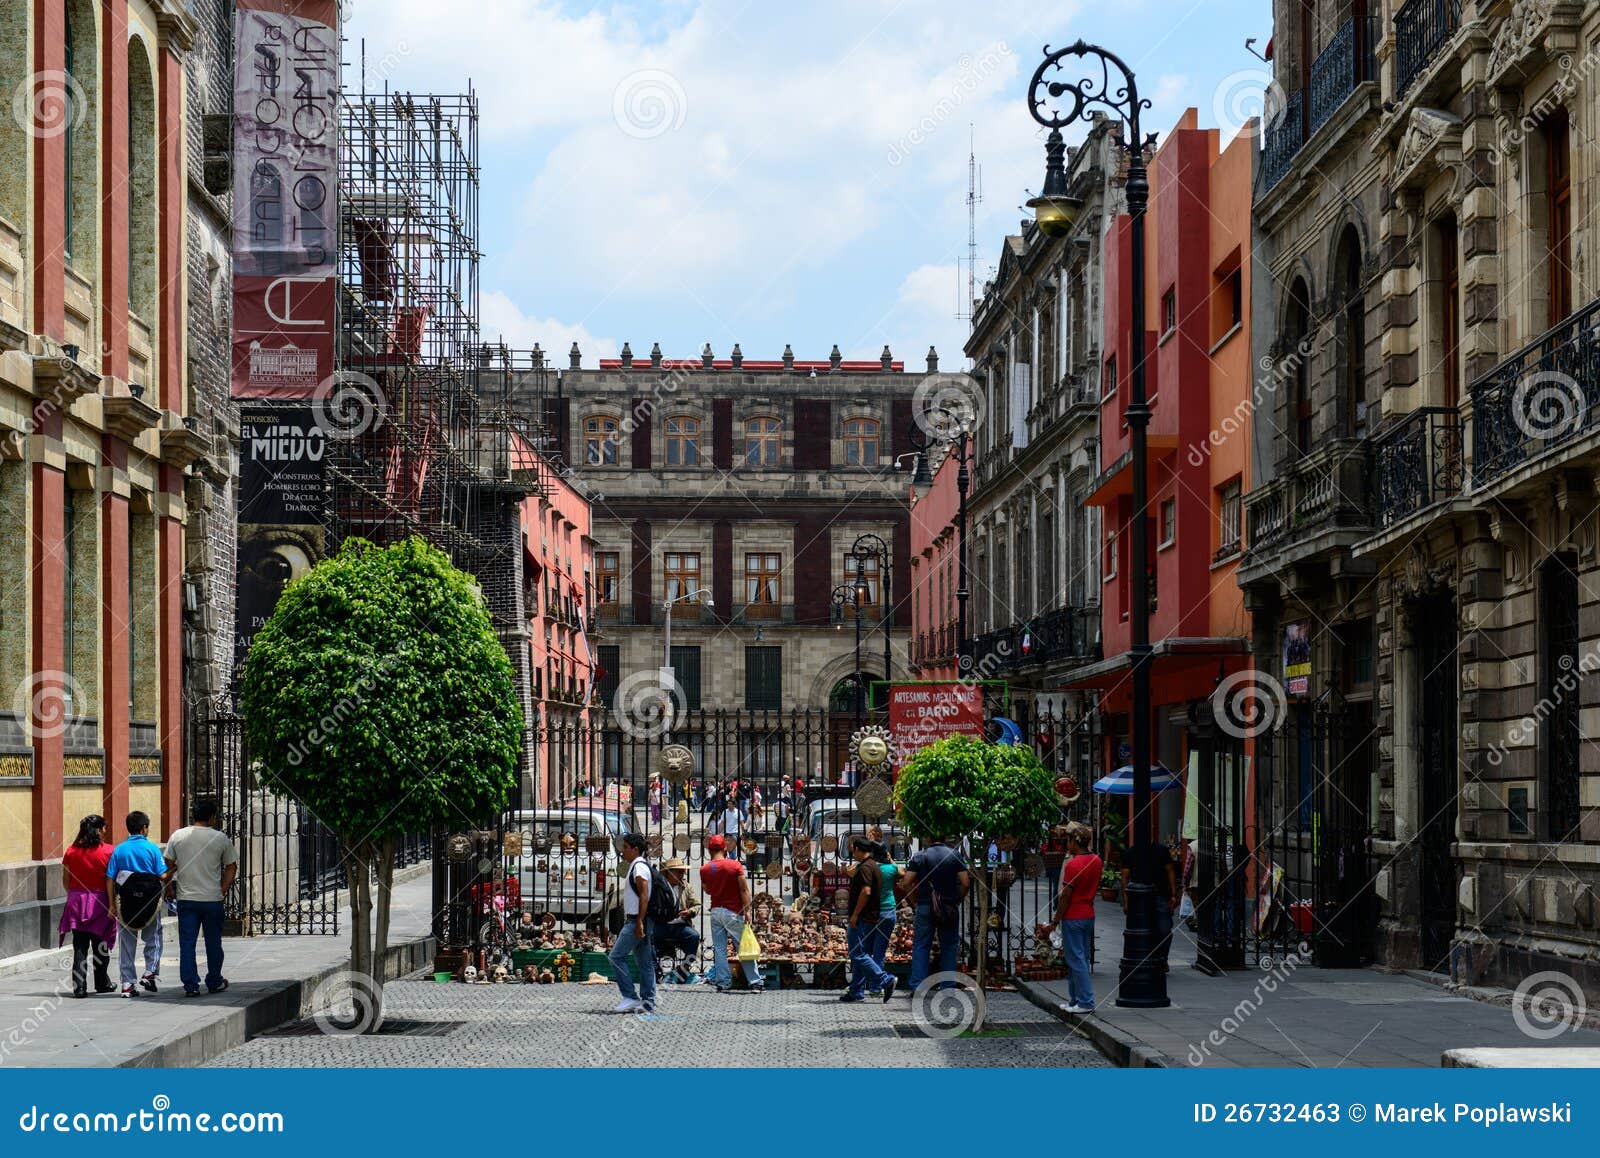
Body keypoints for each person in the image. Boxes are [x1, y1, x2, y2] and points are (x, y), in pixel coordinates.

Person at [164, 799, 239, 997]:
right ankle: (214, 980)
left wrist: (169, 887)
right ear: (212, 816)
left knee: (187, 943)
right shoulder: (220, 838)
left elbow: (168, 863)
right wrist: (223, 888)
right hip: (212, 899)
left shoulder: (178, 836)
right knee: (213, 942)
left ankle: (191, 985)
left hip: (187, 899)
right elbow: (232, 866)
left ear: (193, 815)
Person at [105, 811, 167, 997]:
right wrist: (173, 870)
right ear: (144, 828)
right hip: (150, 903)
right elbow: (162, 875)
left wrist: (111, 904)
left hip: (125, 903)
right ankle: (149, 972)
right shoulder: (152, 849)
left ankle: (127, 984)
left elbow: (110, 878)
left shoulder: (119, 850)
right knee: (154, 937)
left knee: (126, 944)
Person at [1044, 822, 1102, 1013]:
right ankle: (1074, 999)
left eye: (1067, 841)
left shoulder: (1073, 864)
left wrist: (1055, 919)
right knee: (1080, 957)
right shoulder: (1096, 860)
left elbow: (1066, 895)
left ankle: (1085, 1001)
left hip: (1073, 914)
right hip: (1088, 913)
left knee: (1075, 959)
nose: (1066, 845)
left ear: (1073, 842)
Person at [901, 834, 970, 992]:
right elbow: (966, 882)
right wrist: (957, 899)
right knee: (949, 946)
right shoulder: (955, 855)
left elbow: (906, 882)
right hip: (948, 906)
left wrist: (915, 902)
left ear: (927, 839)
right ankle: (947, 986)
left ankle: (918, 985)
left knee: (921, 945)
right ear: (944, 839)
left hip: (925, 905)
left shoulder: (920, 856)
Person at [58, 815, 115, 997]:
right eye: (104, 828)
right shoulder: (108, 851)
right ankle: (101, 982)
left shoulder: (71, 851)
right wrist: (112, 903)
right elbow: (110, 880)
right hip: (101, 901)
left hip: (76, 901)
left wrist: (75, 895)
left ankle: (79, 987)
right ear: (98, 830)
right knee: (101, 945)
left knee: (80, 946)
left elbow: (66, 880)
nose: (106, 832)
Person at [698, 835, 763, 993]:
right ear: (725, 848)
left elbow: (707, 890)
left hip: (715, 911)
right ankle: (755, 982)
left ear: (709, 850)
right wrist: (747, 910)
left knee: (719, 949)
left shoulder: (704, 869)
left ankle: (723, 982)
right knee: (743, 947)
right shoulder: (734, 866)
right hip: (733, 912)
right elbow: (744, 890)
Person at [841, 837, 897, 1002]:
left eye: (854, 851)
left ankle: (885, 980)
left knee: (857, 953)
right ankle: (856, 991)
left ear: (858, 849)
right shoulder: (875, 866)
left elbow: (866, 892)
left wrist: (855, 915)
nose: (853, 855)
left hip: (862, 917)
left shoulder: (865, 867)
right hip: (870, 916)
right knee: (861, 953)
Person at [607, 833, 656, 1013]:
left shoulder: (639, 868)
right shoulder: (637, 866)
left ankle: (630, 996)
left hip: (636, 919)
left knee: (616, 956)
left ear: (635, 849)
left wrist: (640, 922)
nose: (623, 851)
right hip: (639, 919)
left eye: (626, 847)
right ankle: (648, 1000)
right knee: (644, 961)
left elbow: (644, 896)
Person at [1121, 832, 1179, 971]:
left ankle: (1162, 958)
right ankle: (1150, 957)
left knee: (1164, 929)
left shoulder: (1161, 850)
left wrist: (1173, 893)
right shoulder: (1131, 852)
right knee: (1149, 929)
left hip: (1160, 895)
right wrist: (1126, 900)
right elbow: (1125, 877)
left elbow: (1170, 870)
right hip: (1139, 897)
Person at [653, 857, 702, 978]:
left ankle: (684, 968)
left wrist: (689, 911)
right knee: (649, 938)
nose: (682, 874)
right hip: (661, 924)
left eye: (682, 871)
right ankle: (654, 968)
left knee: (694, 936)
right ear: (668, 873)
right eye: (678, 871)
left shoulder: (685, 886)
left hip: (680, 925)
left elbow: (697, 904)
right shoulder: (658, 887)